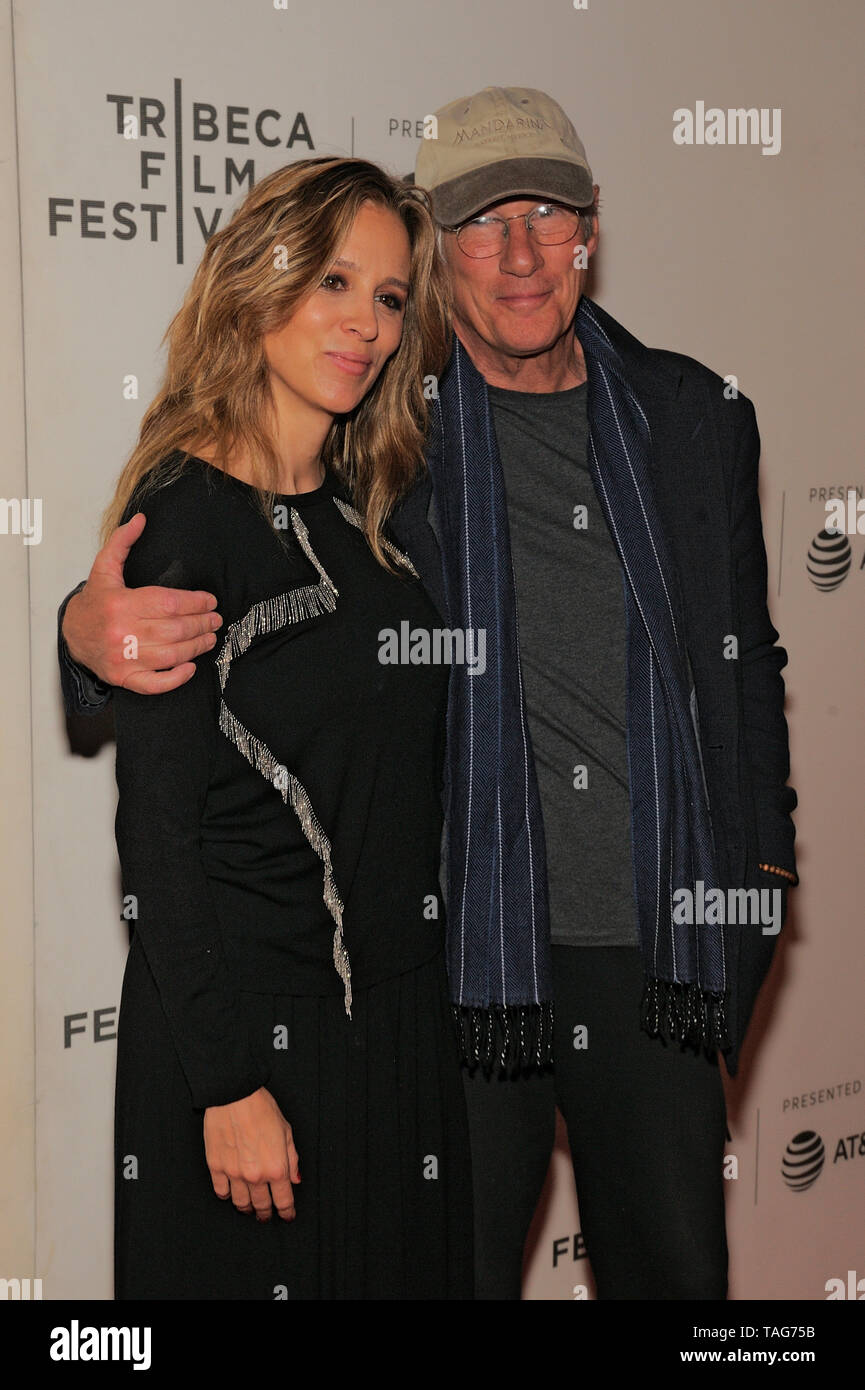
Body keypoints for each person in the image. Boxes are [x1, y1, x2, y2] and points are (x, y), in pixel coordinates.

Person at [59, 88, 798, 1301]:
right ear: (443, 253)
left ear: (591, 227)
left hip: (652, 952)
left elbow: (745, 659)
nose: (520, 255)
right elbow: (215, 549)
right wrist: (84, 634)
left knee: (679, 1285)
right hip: (463, 957)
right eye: (480, 224)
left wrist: (760, 877)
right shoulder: (390, 432)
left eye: (545, 216)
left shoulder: (690, 419)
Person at [65, 154, 473, 1300]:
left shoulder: (370, 509)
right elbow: (158, 840)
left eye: (387, 297)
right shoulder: (182, 526)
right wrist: (226, 1083)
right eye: (333, 282)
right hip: (251, 1050)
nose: (367, 325)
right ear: (258, 282)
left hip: (394, 1032)